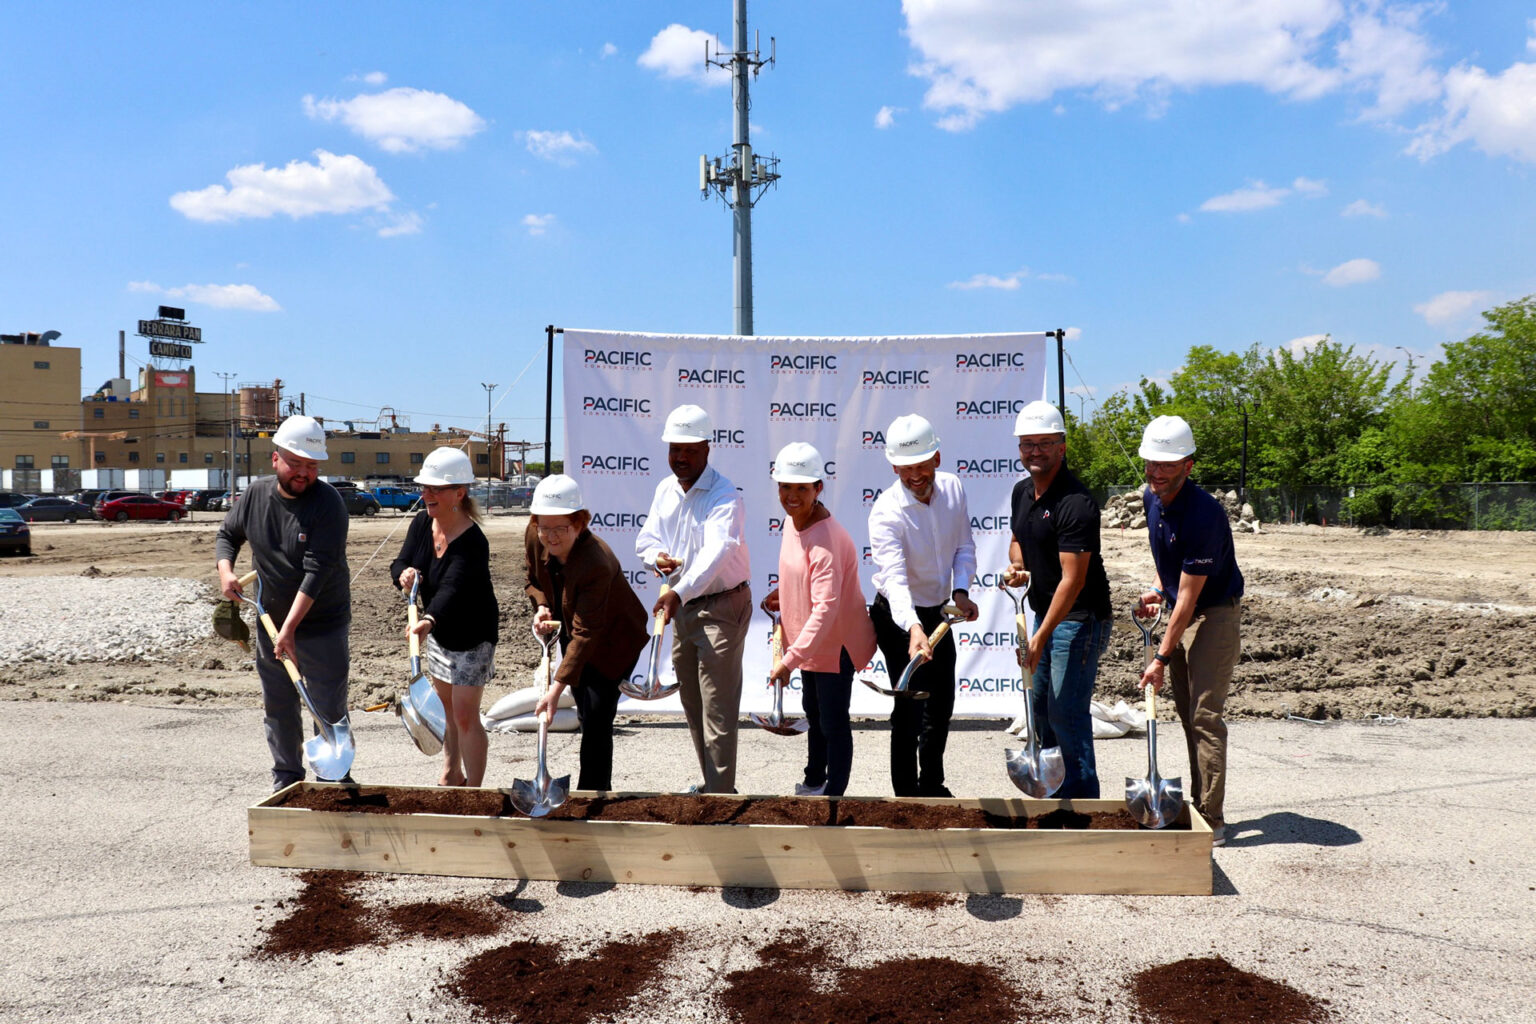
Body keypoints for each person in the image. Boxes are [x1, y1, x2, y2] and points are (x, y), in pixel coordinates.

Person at [215, 415, 351, 791]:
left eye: (312, 465)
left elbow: (317, 571)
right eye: (295, 463)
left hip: (322, 623)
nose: (304, 473)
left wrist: (290, 629)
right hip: (270, 621)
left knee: (326, 705)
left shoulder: (328, 504)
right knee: (278, 703)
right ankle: (287, 777)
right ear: (276, 458)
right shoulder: (256, 495)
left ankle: (333, 779)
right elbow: (228, 534)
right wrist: (226, 572)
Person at [1135, 415, 1244, 847]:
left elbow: (1189, 597)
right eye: (1152, 463)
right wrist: (1155, 590)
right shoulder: (1152, 498)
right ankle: (1197, 803)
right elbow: (1172, 572)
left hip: (1214, 613)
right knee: (1185, 713)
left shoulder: (1204, 514)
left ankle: (1212, 817)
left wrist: (1160, 658)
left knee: (1204, 716)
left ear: (1188, 466)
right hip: (1185, 607)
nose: (1157, 472)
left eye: (1168, 464)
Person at [636, 404, 752, 794]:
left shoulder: (724, 495)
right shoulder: (664, 490)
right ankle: (715, 786)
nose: (681, 457)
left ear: (707, 449)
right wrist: (657, 557)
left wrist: (678, 591)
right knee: (693, 703)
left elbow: (717, 553)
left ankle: (720, 798)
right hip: (683, 607)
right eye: (675, 449)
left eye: (690, 449)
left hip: (721, 606)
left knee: (717, 708)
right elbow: (646, 538)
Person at [1003, 400, 1113, 799]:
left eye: (1044, 443)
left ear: (1061, 447)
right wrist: (1018, 567)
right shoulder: (1022, 492)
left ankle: (1083, 807)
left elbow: (1074, 580)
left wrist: (1040, 637)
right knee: (1041, 711)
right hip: (1045, 615)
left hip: (1079, 619)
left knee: (1066, 713)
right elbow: (1018, 539)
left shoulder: (1075, 503)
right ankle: (1055, 800)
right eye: (1027, 444)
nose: (1035, 451)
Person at [867, 414, 979, 797]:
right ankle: (906, 797)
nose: (915, 475)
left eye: (921, 465)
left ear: (937, 458)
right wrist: (913, 628)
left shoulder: (953, 489)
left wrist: (960, 592)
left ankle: (932, 785)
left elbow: (964, 546)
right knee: (910, 706)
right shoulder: (886, 512)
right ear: (894, 467)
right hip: (896, 617)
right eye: (906, 468)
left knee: (941, 702)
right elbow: (895, 580)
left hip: (939, 612)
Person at [763, 442, 877, 798]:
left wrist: (788, 661)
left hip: (836, 642)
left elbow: (826, 607)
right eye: (785, 486)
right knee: (814, 713)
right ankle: (814, 780)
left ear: (818, 489)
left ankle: (834, 796)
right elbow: (802, 575)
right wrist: (784, 593)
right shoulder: (792, 521)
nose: (792, 495)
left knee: (832, 720)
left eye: (802, 488)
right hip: (810, 640)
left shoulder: (826, 540)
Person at [524, 474, 650, 792]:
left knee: (596, 717)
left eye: (561, 528)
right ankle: (588, 791)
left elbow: (586, 634)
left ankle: (593, 794)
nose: (551, 536)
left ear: (579, 523)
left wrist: (555, 690)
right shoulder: (535, 535)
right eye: (544, 527)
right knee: (584, 709)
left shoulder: (596, 563)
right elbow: (533, 580)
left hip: (614, 643)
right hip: (576, 631)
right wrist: (542, 606)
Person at [390, 447, 499, 788]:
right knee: (446, 710)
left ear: (459, 493)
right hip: (438, 632)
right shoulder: (423, 523)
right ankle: (452, 773)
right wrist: (403, 575)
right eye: (424, 487)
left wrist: (428, 621)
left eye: (435, 488)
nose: (426, 494)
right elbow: (400, 561)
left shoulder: (473, 542)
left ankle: (474, 790)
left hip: (472, 635)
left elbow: (453, 587)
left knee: (465, 716)